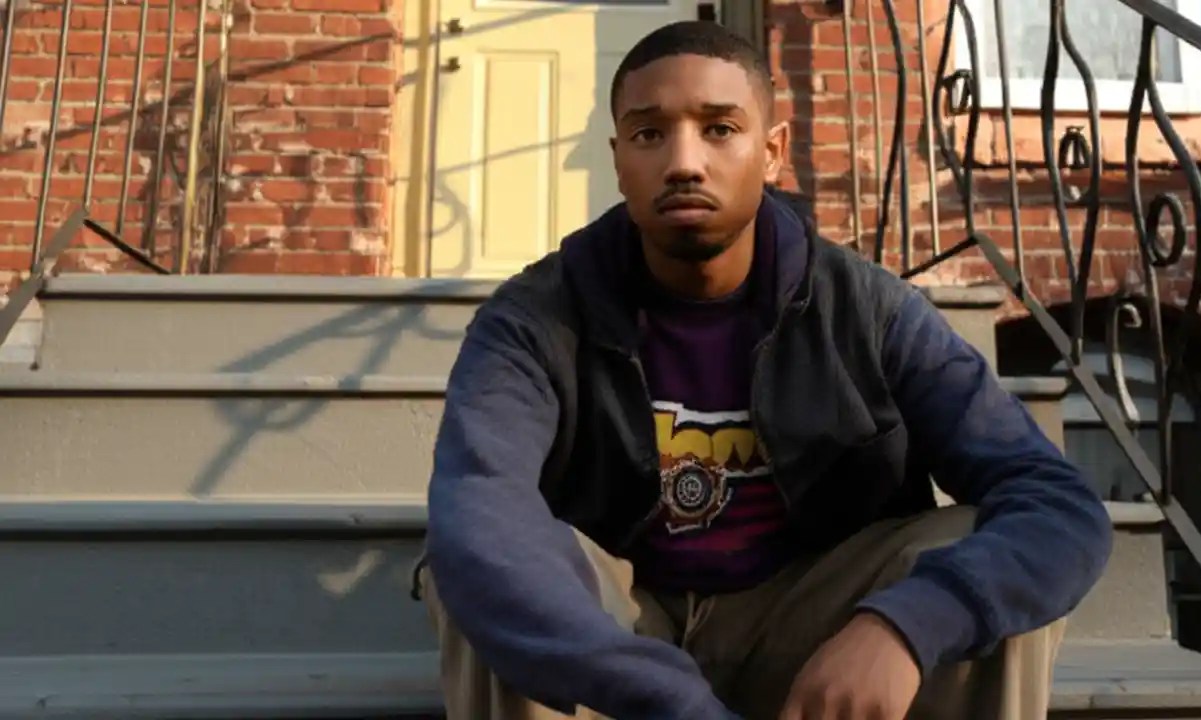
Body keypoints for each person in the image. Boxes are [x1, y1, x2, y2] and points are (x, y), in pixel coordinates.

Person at [413, 19, 1112, 720]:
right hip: (625, 624)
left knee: (984, 561)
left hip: (813, 629)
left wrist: (906, 625)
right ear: (619, 158)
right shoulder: (536, 318)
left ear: (773, 152)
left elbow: (1056, 504)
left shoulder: (867, 310)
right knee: (483, 567)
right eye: (650, 133)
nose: (685, 161)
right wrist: (668, 698)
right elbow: (480, 506)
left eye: (719, 129)